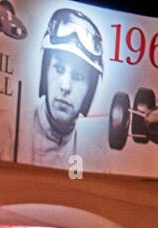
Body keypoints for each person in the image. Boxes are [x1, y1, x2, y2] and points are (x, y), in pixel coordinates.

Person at [30, 8, 104, 168]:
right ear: (45, 73)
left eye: (78, 76)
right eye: (59, 69)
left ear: (90, 92)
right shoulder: (7, 130)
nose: (65, 86)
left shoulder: (95, 161)